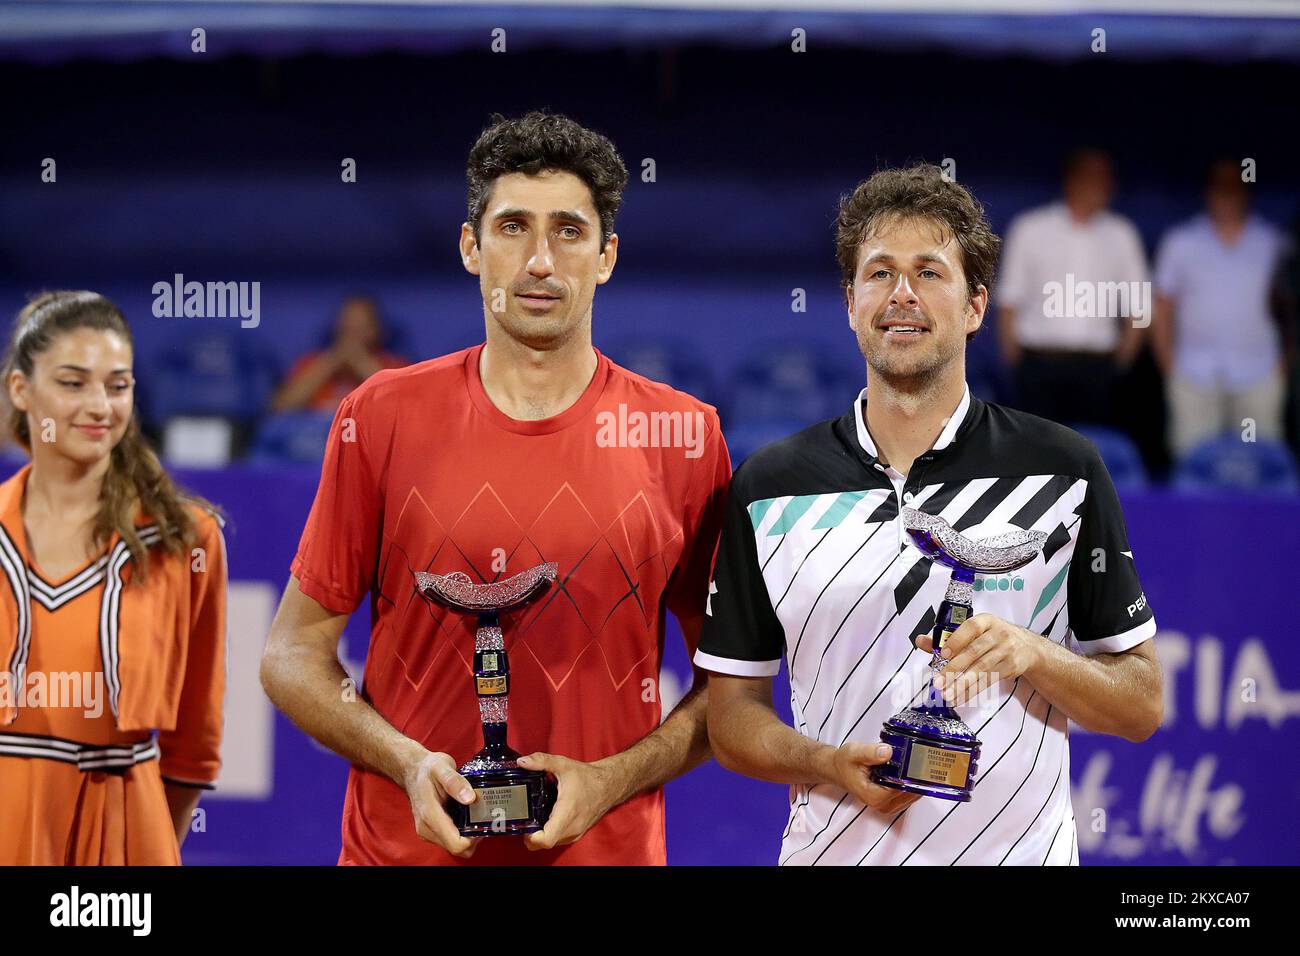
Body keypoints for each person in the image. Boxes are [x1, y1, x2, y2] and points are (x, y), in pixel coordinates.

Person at [260, 111, 731, 866]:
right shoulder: (378, 416)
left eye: (569, 232)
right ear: (471, 247)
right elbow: (290, 654)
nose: (540, 261)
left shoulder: (685, 436)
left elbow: (733, 689)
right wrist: (405, 762)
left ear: (606, 256)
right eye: (513, 227)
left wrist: (613, 780)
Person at [699, 165, 1162, 865]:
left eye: (929, 272)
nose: (903, 294)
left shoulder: (1066, 470)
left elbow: (1141, 703)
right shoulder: (768, 486)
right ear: (850, 302)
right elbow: (730, 716)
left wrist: (1033, 653)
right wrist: (825, 763)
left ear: (976, 306)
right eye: (879, 273)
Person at [0, 291, 228, 865]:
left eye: (118, 385)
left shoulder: (187, 538)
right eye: (73, 383)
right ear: (21, 389)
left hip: (126, 831)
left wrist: (144, 845)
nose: (99, 405)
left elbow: (194, 744)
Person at [997, 148, 1149, 427]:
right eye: (1096, 178)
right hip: (1040, 364)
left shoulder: (1122, 234)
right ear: (1072, 180)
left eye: (1107, 178)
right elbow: (1009, 303)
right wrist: (1019, 365)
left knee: (1092, 454)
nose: (1105, 186)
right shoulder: (1031, 229)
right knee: (1038, 454)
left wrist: (1121, 363)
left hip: (1098, 368)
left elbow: (1140, 308)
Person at [1152, 158, 1293, 458]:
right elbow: (1161, 307)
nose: (1227, 194)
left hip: (1258, 374)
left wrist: (1284, 362)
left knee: (1258, 465)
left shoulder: (1272, 242)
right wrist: (1170, 365)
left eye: (1235, 187)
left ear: (1247, 192)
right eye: (1220, 186)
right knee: (1193, 464)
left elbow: (1290, 308)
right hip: (1194, 374)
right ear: (1208, 191)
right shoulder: (1181, 241)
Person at [269, 295, 407, 413]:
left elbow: (404, 408)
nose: (352, 336)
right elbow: (280, 407)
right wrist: (330, 363)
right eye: (347, 328)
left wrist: (361, 363)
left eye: (360, 328)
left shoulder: (394, 368)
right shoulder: (311, 363)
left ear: (376, 330)